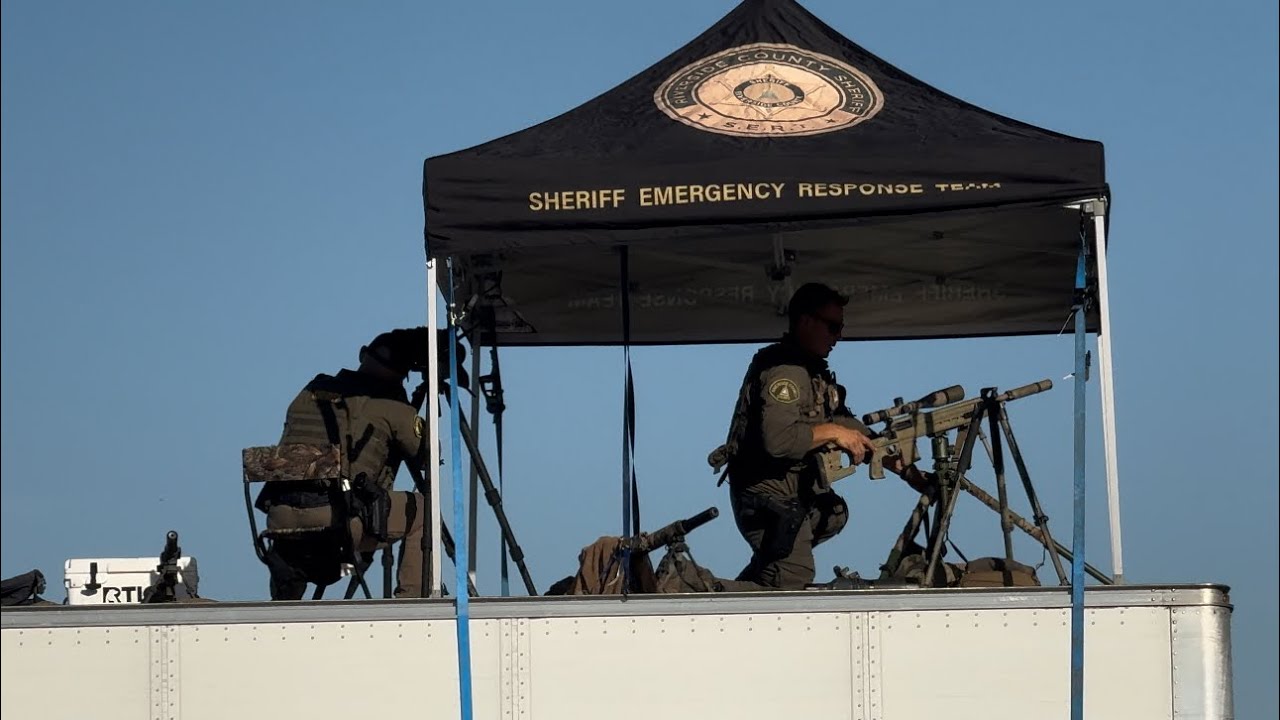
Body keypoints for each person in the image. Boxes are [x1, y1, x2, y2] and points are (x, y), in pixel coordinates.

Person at [711, 283, 931, 590]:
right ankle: (695, 588)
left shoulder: (813, 373)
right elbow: (779, 440)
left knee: (832, 514)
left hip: (790, 492)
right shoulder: (785, 372)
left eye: (839, 327)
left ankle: (747, 584)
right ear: (805, 321)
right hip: (764, 493)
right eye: (831, 327)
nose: (837, 337)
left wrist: (900, 466)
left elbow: (844, 422)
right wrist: (833, 432)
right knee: (794, 576)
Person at [257, 327, 432, 599]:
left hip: (280, 519)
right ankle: (413, 601)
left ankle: (284, 605)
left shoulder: (312, 390)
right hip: (339, 521)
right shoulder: (393, 408)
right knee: (423, 511)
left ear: (363, 354)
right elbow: (427, 456)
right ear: (405, 371)